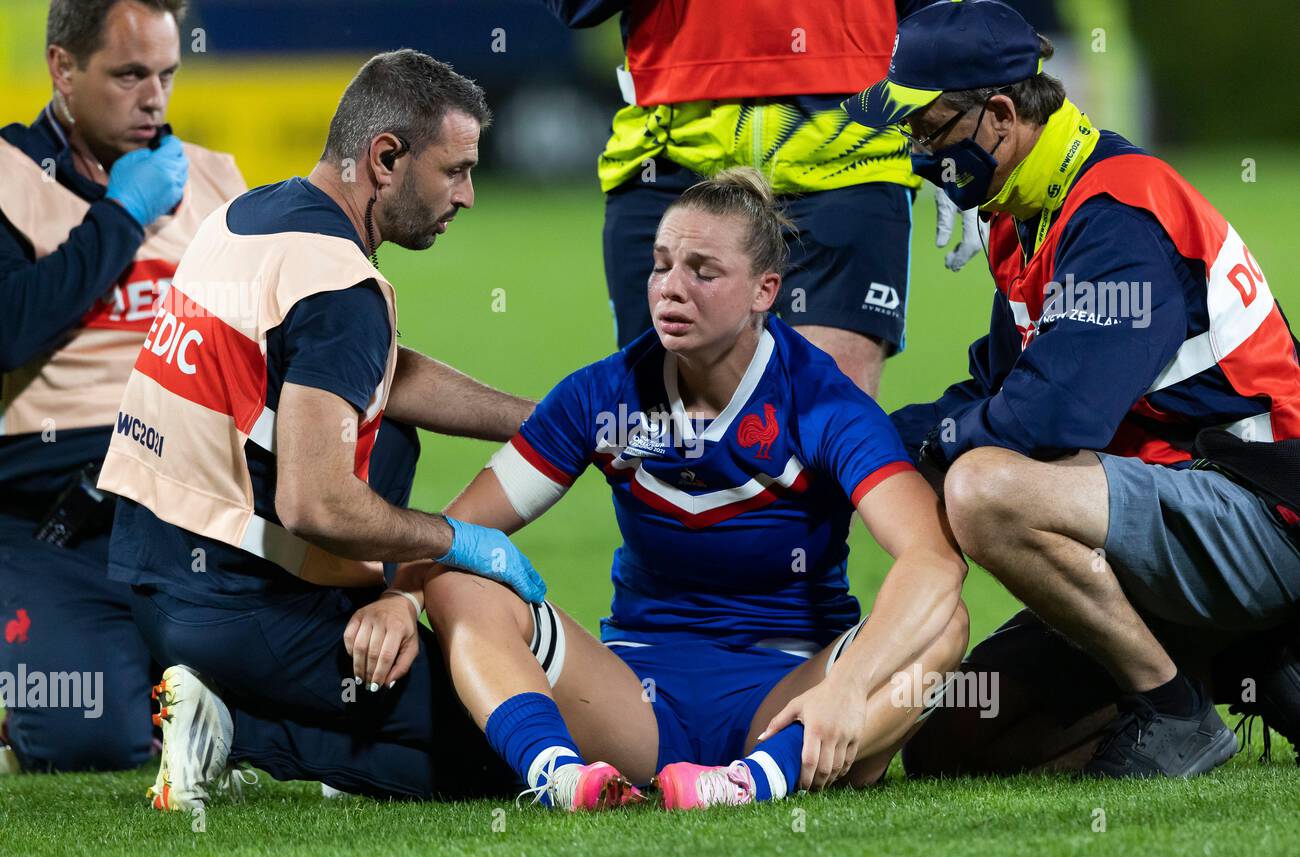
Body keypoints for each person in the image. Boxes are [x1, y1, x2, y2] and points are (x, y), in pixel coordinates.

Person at [349, 167, 969, 811]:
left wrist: (849, 688)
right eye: (661, 265)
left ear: (765, 290)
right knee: (458, 576)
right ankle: (561, 776)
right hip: (633, 703)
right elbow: (463, 531)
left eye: (703, 271)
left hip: (790, 699)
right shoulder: (602, 394)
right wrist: (400, 594)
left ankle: (747, 783)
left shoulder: (822, 401)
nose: (671, 289)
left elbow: (932, 561)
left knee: (943, 624)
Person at [839, 0, 1300, 778]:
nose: (918, 154)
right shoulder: (1025, 210)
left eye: (929, 129)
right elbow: (996, 387)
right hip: (1167, 519)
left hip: (1264, 515)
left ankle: (1177, 710)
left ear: (1000, 114)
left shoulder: (1120, 208)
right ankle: (1235, 660)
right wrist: (864, 438)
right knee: (957, 741)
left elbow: (1053, 415)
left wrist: (929, 444)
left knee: (983, 487)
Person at [97, 50, 545, 809]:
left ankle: (230, 687)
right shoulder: (339, 287)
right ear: (386, 157)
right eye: (455, 171)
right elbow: (314, 504)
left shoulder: (251, 213)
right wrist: (457, 543)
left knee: (389, 434)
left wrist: (540, 422)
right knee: (494, 754)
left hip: (146, 571)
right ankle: (234, 725)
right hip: (234, 607)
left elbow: (378, 376)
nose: (467, 196)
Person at [0, 0, 246, 773]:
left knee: (317, 711)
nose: (155, 99)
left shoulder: (215, 182)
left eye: (167, 74)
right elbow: (13, 326)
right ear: (63, 69)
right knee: (91, 739)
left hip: (192, 519)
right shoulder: (8, 179)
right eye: (130, 75)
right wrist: (121, 215)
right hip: (51, 523)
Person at [541, 0, 986, 398]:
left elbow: (938, 7)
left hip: (847, 147)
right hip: (672, 150)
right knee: (668, 441)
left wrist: (963, 110)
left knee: (824, 431)